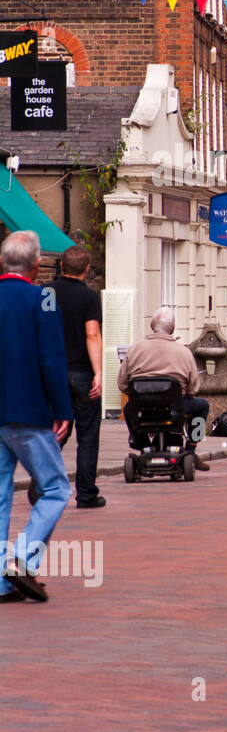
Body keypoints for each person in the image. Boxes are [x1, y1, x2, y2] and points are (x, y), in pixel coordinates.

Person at [0, 231, 74, 604]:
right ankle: (22, 559)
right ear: (35, 265)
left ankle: (1, 582)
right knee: (56, 488)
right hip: (27, 409)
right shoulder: (42, 297)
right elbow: (51, 359)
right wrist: (62, 408)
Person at [118, 306, 212, 472]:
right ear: (173, 328)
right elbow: (193, 388)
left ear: (151, 325)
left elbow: (123, 383)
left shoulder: (135, 350)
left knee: (128, 409)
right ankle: (191, 447)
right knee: (202, 406)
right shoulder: (183, 352)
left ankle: (141, 442)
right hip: (175, 407)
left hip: (141, 408)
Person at [48, 244, 105, 510]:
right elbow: (92, 334)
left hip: (52, 371)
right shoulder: (89, 297)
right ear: (86, 269)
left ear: (61, 267)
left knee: (54, 432)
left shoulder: (46, 293)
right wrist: (98, 373)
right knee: (88, 435)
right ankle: (86, 493)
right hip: (81, 371)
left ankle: (41, 487)